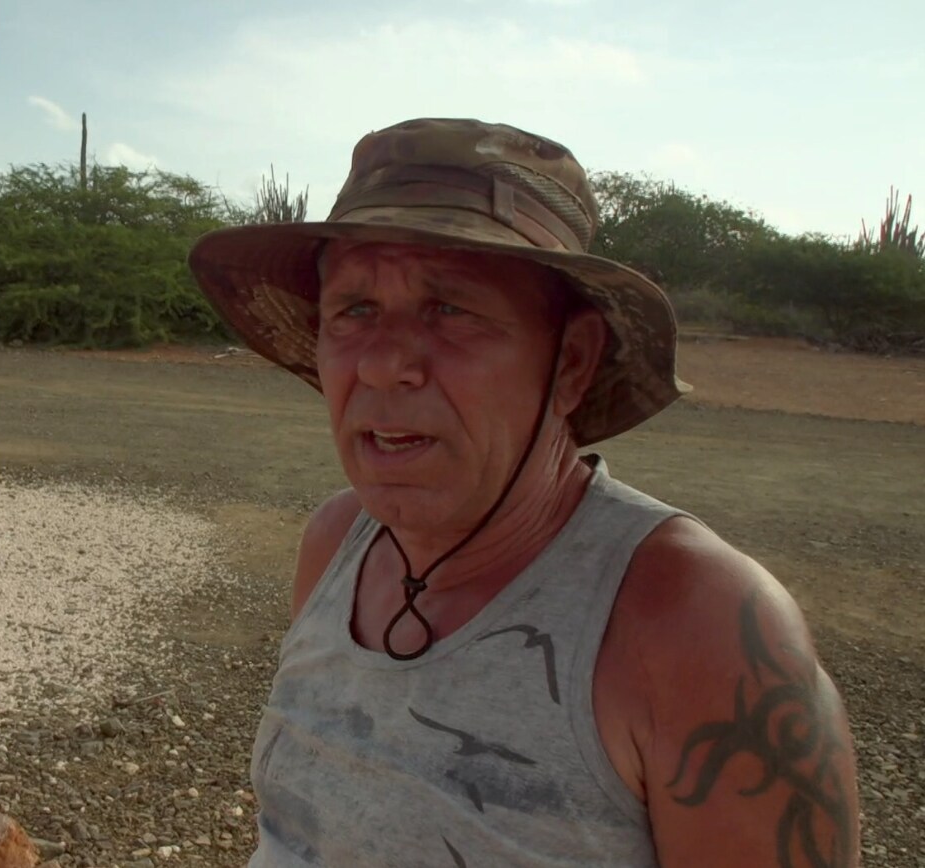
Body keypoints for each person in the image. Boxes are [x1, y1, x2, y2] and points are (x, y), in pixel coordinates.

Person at [187, 118, 860, 867]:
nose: (382, 364)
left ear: (571, 363)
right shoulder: (335, 545)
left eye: (450, 309)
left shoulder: (694, 624)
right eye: (355, 311)